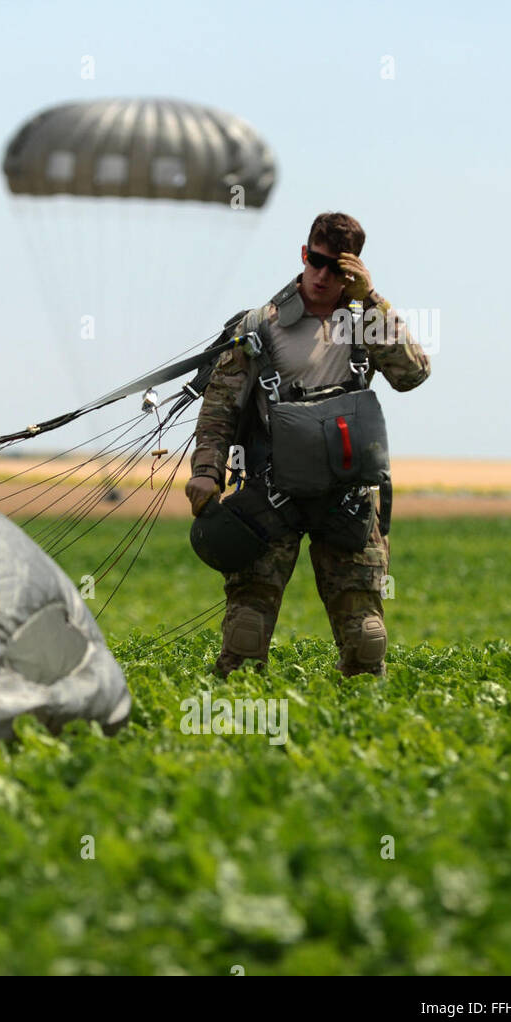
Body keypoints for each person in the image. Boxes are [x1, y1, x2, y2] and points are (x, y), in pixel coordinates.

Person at [185, 211, 431, 678]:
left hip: (347, 499)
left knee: (367, 640)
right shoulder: (259, 325)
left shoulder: (365, 323)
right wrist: (207, 470)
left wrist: (372, 301)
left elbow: (413, 374)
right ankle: (236, 733)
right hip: (271, 494)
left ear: (354, 271)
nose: (322, 276)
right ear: (304, 254)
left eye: (337, 268)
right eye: (316, 261)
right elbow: (221, 405)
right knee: (246, 631)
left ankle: (357, 734)